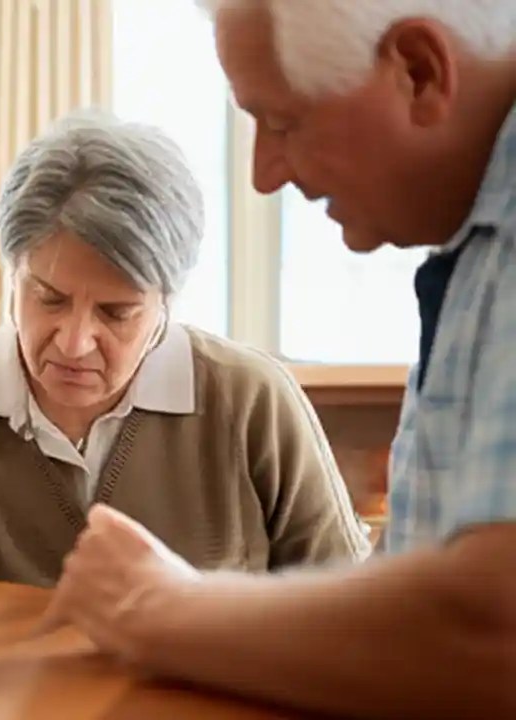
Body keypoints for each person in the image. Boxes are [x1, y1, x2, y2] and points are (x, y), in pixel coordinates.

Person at [39, 2, 516, 718]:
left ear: (419, 72)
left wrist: (158, 605)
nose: (264, 174)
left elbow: (492, 630)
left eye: (284, 123)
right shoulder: (474, 253)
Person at [0, 108, 368, 586]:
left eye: (116, 313)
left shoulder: (250, 397)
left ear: (167, 300)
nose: (75, 343)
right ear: (12, 271)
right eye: (48, 298)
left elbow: (348, 607)